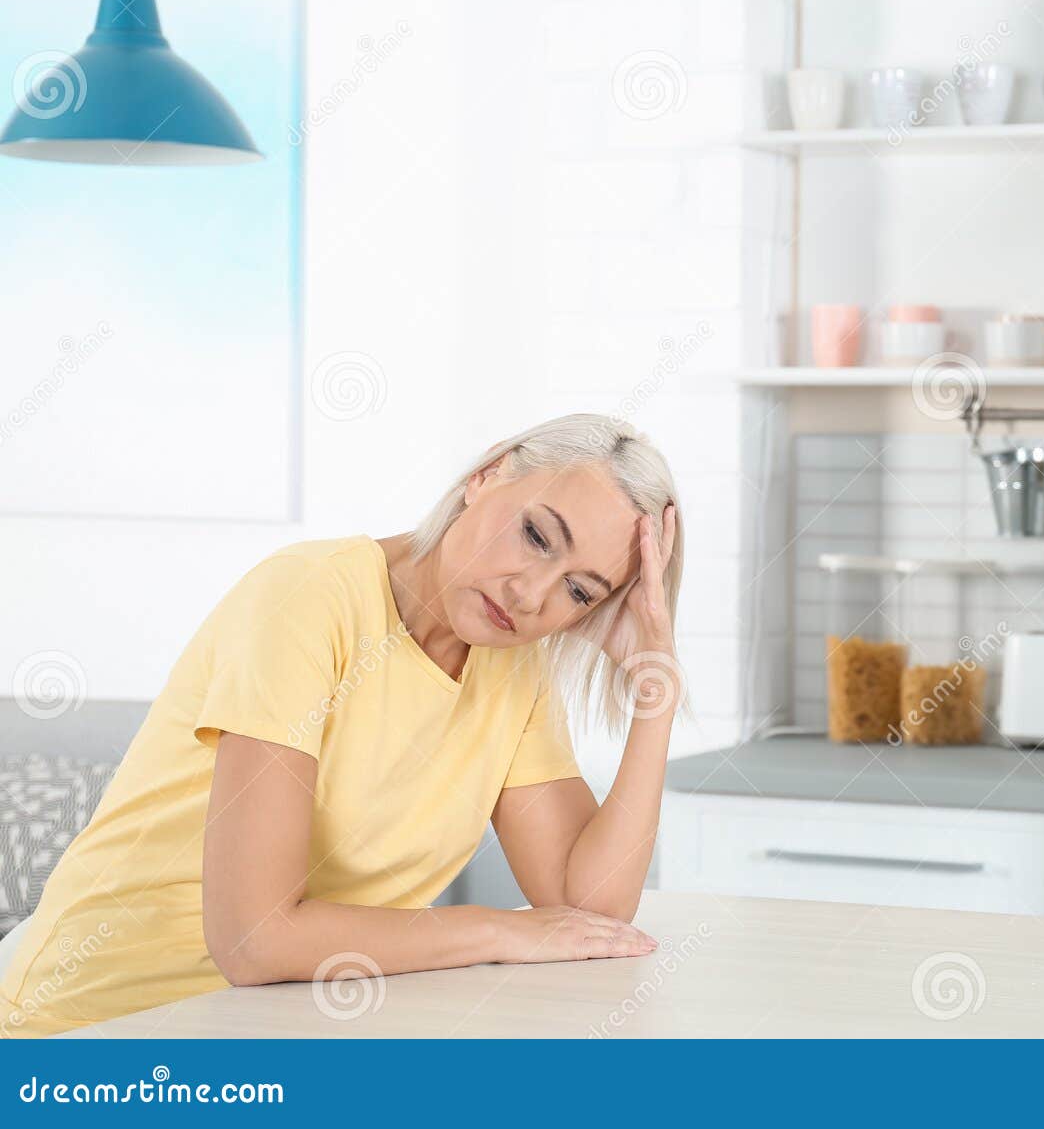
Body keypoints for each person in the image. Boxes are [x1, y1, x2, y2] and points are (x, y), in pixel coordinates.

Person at [0, 414, 685, 1036]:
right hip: (92, 1029)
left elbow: (588, 907)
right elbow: (255, 941)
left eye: (578, 591)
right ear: (487, 474)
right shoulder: (309, 596)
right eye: (537, 536)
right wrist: (501, 931)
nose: (531, 595)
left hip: (274, 1034)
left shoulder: (514, 665)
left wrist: (656, 689)